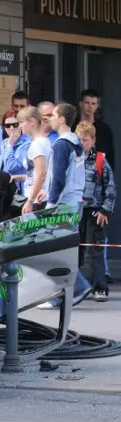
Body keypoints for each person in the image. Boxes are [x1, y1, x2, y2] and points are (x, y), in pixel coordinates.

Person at [36, 103, 91, 308]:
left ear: (62, 119)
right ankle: (69, 292)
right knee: (62, 251)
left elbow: (59, 177)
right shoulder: (75, 142)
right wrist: (49, 190)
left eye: (53, 115)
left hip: (63, 205)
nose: (49, 118)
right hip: (73, 201)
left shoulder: (61, 144)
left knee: (55, 251)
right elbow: (66, 176)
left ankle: (72, 290)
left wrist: (51, 201)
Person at [76, 121, 115, 303]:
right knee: (74, 250)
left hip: (94, 212)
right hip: (74, 212)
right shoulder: (72, 158)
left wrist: (105, 211)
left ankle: (100, 288)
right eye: (79, 139)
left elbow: (110, 189)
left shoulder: (100, 160)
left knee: (95, 251)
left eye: (86, 140)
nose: (82, 143)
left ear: (93, 140)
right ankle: (77, 288)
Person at [13, 107, 50, 214]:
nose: (20, 126)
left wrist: (30, 200)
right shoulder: (44, 142)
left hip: (37, 201)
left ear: (32, 122)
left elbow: (41, 174)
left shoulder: (37, 145)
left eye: (21, 122)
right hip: (39, 198)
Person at [74, 89, 115, 171]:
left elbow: (110, 156)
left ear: (96, 106)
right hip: (75, 170)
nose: (90, 106)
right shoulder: (72, 126)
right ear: (81, 104)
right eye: (87, 103)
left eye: (93, 104)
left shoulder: (104, 129)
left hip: (98, 174)